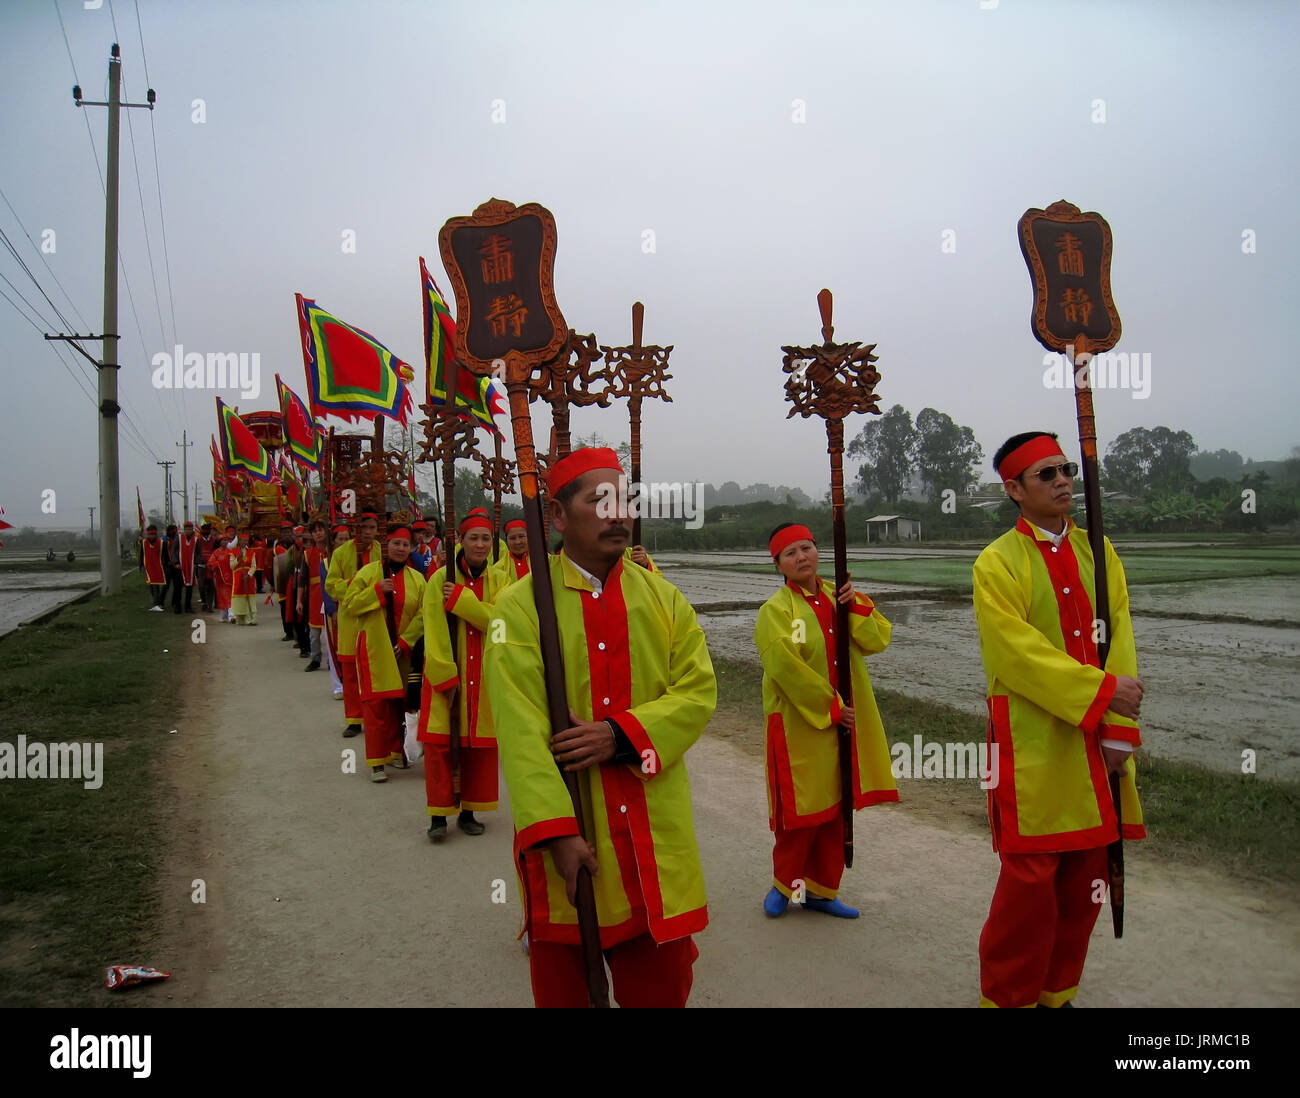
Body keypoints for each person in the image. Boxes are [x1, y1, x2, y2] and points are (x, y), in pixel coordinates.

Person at [486, 448, 716, 1008]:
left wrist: (620, 735)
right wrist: (556, 834)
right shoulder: (517, 610)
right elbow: (519, 732)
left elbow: (698, 689)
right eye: (600, 501)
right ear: (559, 518)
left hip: (654, 840)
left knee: (661, 991)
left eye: (625, 501)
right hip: (574, 843)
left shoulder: (663, 599)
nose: (618, 513)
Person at [973, 431, 1146, 1009]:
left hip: (1096, 740)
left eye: (1066, 469)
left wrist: (1118, 727)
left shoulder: (1100, 549)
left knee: (1085, 879)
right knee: (1029, 886)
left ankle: (1057, 992)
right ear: (1014, 489)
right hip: (1032, 742)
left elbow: (1119, 631)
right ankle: (1008, 999)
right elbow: (1013, 653)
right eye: (1045, 474)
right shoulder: (996, 563)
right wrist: (1098, 693)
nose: (1062, 480)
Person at [754, 523, 897, 920]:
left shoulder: (840, 597)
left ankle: (822, 890)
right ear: (778, 565)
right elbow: (785, 666)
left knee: (837, 809)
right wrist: (830, 706)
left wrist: (859, 605)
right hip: (801, 724)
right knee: (801, 813)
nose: (802, 557)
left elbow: (877, 639)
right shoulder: (777, 611)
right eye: (791, 553)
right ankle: (785, 885)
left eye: (807, 548)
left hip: (844, 724)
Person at [417, 507, 507, 841]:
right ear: (461, 540)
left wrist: (463, 602)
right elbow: (434, 629)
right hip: (448, 678)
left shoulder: (500, 580)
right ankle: (439, 816)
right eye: (474, 538)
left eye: (486, 538)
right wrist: (444, 675)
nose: (481, 545)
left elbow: (502, 623)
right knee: (441, 746)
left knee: (476, 748)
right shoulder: (440, 578)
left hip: (484, 675)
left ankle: (469, 811)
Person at [344, 526, 427, 783]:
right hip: (374, 648)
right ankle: (376, 761)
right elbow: (349, 604)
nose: (401, 549)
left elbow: (424, 613)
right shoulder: (369, 573)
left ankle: (395, 751)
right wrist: (377, 591)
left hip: (404, 650)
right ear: (386, 545)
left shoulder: (418, 579)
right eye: (396, 543)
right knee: (376, 705)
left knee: (400, 704)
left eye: (405, 544)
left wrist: (405, 641)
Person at [325, 512, 382, 738]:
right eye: (363, 527)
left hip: (375, 615)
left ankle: (376, 717)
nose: (367, 532)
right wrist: (354, 583)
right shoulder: (341, 553)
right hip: (349, 617)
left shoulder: (381, 550)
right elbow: (331, 585)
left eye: (371, 527)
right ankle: (354, 719)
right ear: (354, 528)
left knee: (376, 669)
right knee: (350, 671)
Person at [300, 521, 329, 672]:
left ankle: (333, 660)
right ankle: (315, 659)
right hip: (314, 596)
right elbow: (302, 580)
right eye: (315, 531)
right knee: (314, 634)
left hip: (330, 594)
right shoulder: (307, 554)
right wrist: (299, 601)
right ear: (312, 535)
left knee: (332, 632)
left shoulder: (333, 552)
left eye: (321, 530)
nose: (318, 533)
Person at [229, 530, 260, 625]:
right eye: (243, 540)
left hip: (248, 579)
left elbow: (254, 566)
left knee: (250, 598)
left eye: (246, 541)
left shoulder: (251, 552)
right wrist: (238, 558)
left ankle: (251, 619)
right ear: (239, 541)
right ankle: (240, 619)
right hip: (238, 578)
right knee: (239, 599)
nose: (244, 542)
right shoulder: (233, 552)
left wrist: (249, 575)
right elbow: (232, 566)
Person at [491, 518, 531, 585]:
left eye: (521, 536)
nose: (517, 542)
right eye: (512, 538)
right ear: (506, 540)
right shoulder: (499, 569)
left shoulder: (545, 561)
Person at [172, 520, 198, 614]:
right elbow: (174, 551)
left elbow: (198, 552)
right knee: (178, 587)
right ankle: (177, 607)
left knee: (189, 588)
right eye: (187, 529)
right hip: (180, 567)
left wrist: (196, 562)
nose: (188, 531)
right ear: (184, 529)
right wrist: (176, 562)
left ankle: (188, 607)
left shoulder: (195, 539)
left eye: (190, 529)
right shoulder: (179, 538)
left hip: (191, 567)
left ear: (192, 530)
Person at [139, 524, 167, 610]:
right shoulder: (144, 543)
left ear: (156, 534)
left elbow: (165, 556)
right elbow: (141, 555)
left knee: (156, 585)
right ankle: (156, 602)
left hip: (158, 567)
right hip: (148, 567)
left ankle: (157, 603)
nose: (151, 536)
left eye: (153, 534)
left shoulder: (162, 543)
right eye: (150, 534)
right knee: (150, 585)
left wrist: (164, 564)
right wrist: (140, 565)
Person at [209, 531, 234, 622]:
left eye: (226, 540)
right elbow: (210, 563)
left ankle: (231, 616)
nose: (225, 542)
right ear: (220, 542)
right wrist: (218, 564)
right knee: (221, 597)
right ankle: (223, 617)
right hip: (220, 579)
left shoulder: (231, 552)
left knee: (230, 596)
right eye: (223, 540)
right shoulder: (216, 552)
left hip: (230, 577)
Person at [196, 522, 217, 612]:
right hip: (201, 566)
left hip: (211, 566)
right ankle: (204, 601)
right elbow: (196, 552)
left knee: (211, 586)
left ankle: (209, 605)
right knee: (201, 585)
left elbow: (216, 551)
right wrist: (198, 560)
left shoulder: (214, 540)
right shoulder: (198, 540)